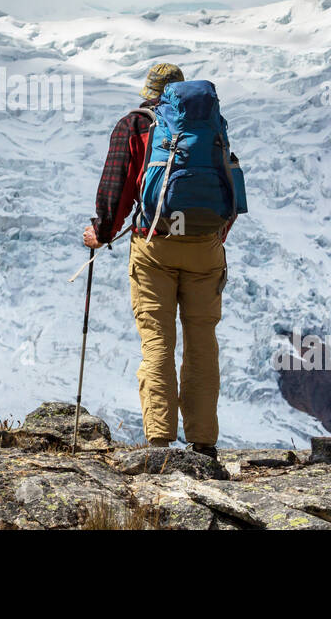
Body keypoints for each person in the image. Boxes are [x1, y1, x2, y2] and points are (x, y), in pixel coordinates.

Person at [82, 63, 237, 458]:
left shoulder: (135, 124)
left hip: (155, 243)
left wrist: (100, 233)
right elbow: (229, 187)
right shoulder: (209, 123)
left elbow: (115, 187)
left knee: (157, 341)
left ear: (148, 90)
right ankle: (203, 442)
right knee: (202, 342)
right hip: (204, 246)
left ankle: (160, 441)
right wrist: (213, 236)